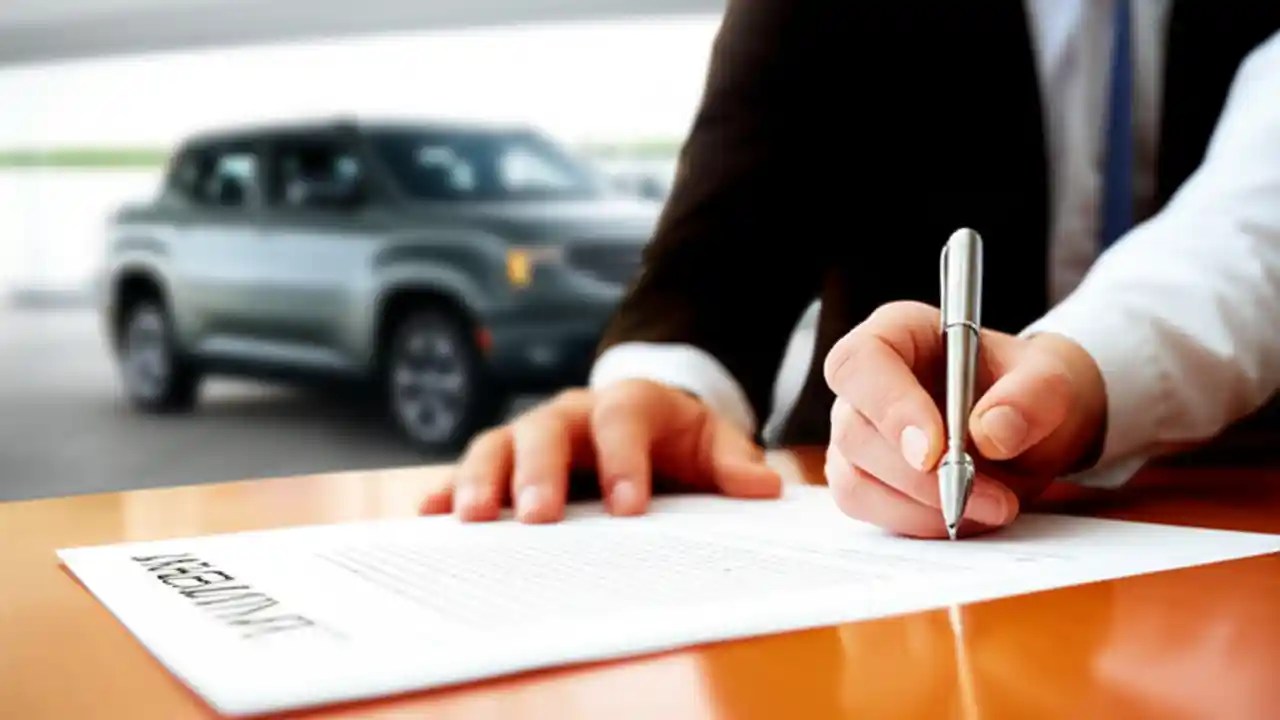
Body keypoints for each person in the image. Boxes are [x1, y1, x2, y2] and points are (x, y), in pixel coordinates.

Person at [419, 1, 1280, 536]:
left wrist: (1084, 376)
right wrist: (659, 389)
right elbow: (720, 251)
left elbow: (1256, 226)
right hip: (869, 494)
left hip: (1239, 502)